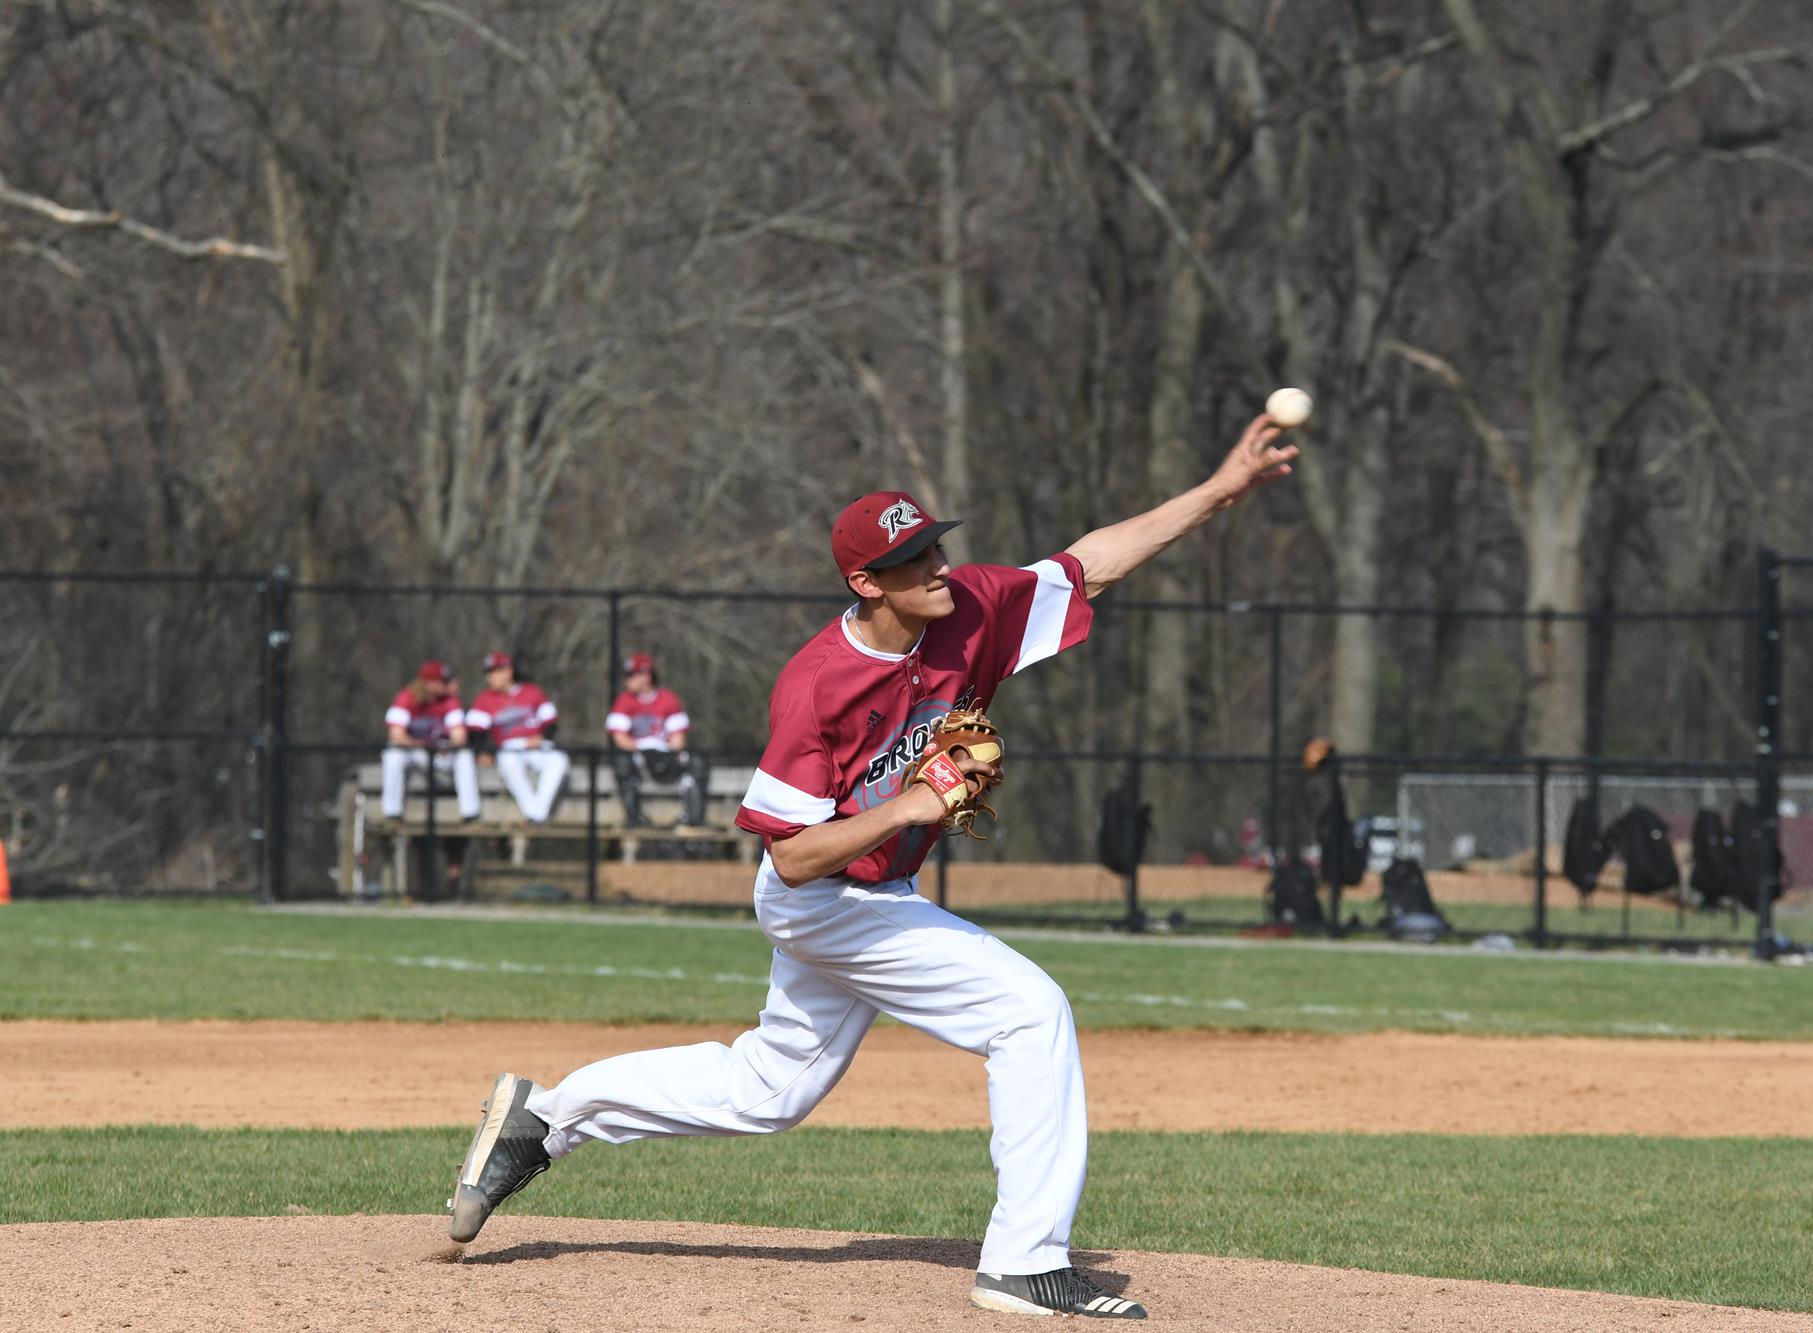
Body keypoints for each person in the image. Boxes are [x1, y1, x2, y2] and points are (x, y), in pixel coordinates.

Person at [446, 415, 1301, 1319]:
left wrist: (1220, 491)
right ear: (865, 581)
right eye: (913, 559)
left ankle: (548, 1116)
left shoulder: (971, 608)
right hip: (824, 898)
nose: (937, 566)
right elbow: (790, 853)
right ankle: (1025, 1260)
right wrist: (905, 808)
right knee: (1029, 1011)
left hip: (877, 890)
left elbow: (1090, 563)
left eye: (935, 545)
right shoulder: (816, 684)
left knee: (769, 1090)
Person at [464, 652, 570, 824]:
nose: (489, 677)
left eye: (494, 672)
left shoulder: (532, 692)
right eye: (488, 673)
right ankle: (536, 815)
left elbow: (551, 722)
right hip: (508, 747)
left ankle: (537, 813)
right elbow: (475, 732)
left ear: (508, 671)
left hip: (535, 743)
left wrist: (541, 736)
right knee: (508, 762)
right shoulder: (485, 699)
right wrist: (483, 752)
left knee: (559, 759)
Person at [605, 652, 705, 828]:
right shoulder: (624, 701)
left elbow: (678, 740)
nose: (627, 679)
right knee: (622, 763)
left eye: (631, 674)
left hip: (665, 755)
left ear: (646, 675)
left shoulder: (668, 698)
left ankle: (692, 819)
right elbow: (620, 739)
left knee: (696, 762)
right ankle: (635, 819)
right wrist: (643, 746)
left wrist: (661, 749)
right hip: (639, 756)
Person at [381, 660, 481, 824]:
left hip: (440, 752)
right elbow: (396, 735)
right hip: (415, 751)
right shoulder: (406, 697)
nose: (448, 685)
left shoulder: (449, 701)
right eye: (444, 681)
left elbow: (459, 736)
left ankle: (470, 814)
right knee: (393, 754)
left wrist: (448, 746)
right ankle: (392, 814)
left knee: (464, 755)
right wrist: (420, 745)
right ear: (431, 683)